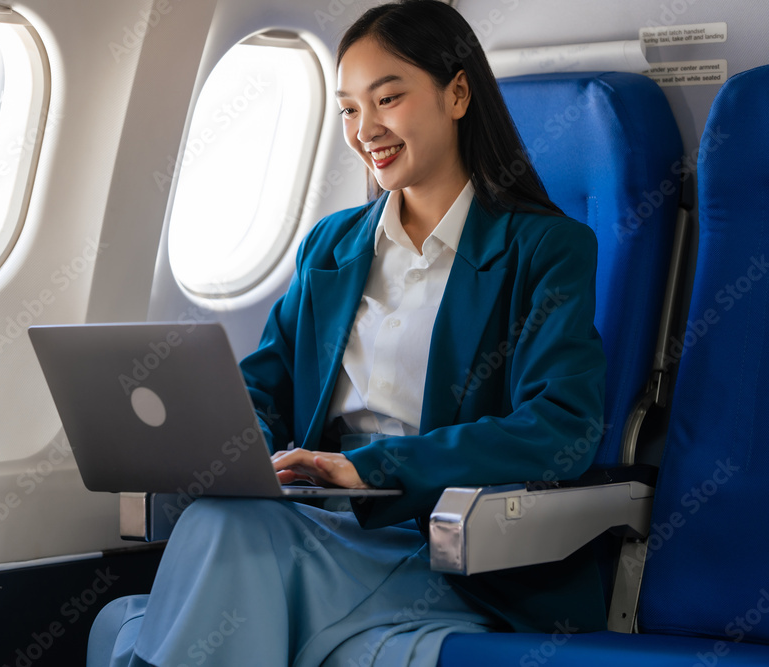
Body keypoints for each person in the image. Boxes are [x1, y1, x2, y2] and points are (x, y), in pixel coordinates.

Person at [88, 1, 607, 665]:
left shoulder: (545, 248)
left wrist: (372, 469)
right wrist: (231, 449)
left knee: (199, 565)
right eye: (348, 109)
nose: (366, 130)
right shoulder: (331, 246)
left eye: (387, 99)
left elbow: (561, 428)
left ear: (457, 94)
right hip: (320, 518)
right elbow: (264, 387)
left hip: (441, 547)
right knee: (221, 515)